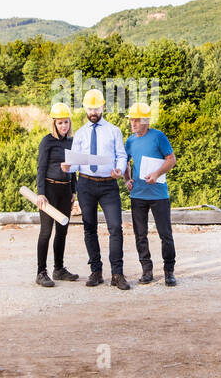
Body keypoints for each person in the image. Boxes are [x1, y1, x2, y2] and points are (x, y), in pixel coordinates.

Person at [62, 88, 130, 290]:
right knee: (89, 227)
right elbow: (75, 162)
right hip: (86, 184)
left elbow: (122, 155)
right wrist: (68, 167)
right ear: (85, 108)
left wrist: (119, 169)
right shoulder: (81, 133)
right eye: (90, 108)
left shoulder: (114, 131)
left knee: (115, 227)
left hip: (109, 185)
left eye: (97, 108)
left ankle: (117, 274)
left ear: (103, 108)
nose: (94, 112)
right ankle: (96, 271)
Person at [124, 102, 177, 286]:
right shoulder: (130, 141)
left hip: (159, 195)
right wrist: (126, 179)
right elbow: (126, 162)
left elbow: (171, 160)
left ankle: (169, 271)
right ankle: (147, 271)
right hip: (138, 195)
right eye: (132, 120)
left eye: (137, 120)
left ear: (146, 120)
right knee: (140, 235)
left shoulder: (158, 137)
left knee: (165, 234)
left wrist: (157, 173)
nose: (133, 124)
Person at [33, 101, 79, 288]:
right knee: (46, 231)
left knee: (63, 231)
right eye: (60, 123)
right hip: (49, 191)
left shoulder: (72, 141)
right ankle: (41, 272)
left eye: (66, 122)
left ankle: (58, 269)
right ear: (54, 123)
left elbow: (73, 167)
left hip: (65, 190)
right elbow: (41, 167)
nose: (63, 126)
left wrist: (74, 190)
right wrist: (40, 193)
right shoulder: (47, 141)